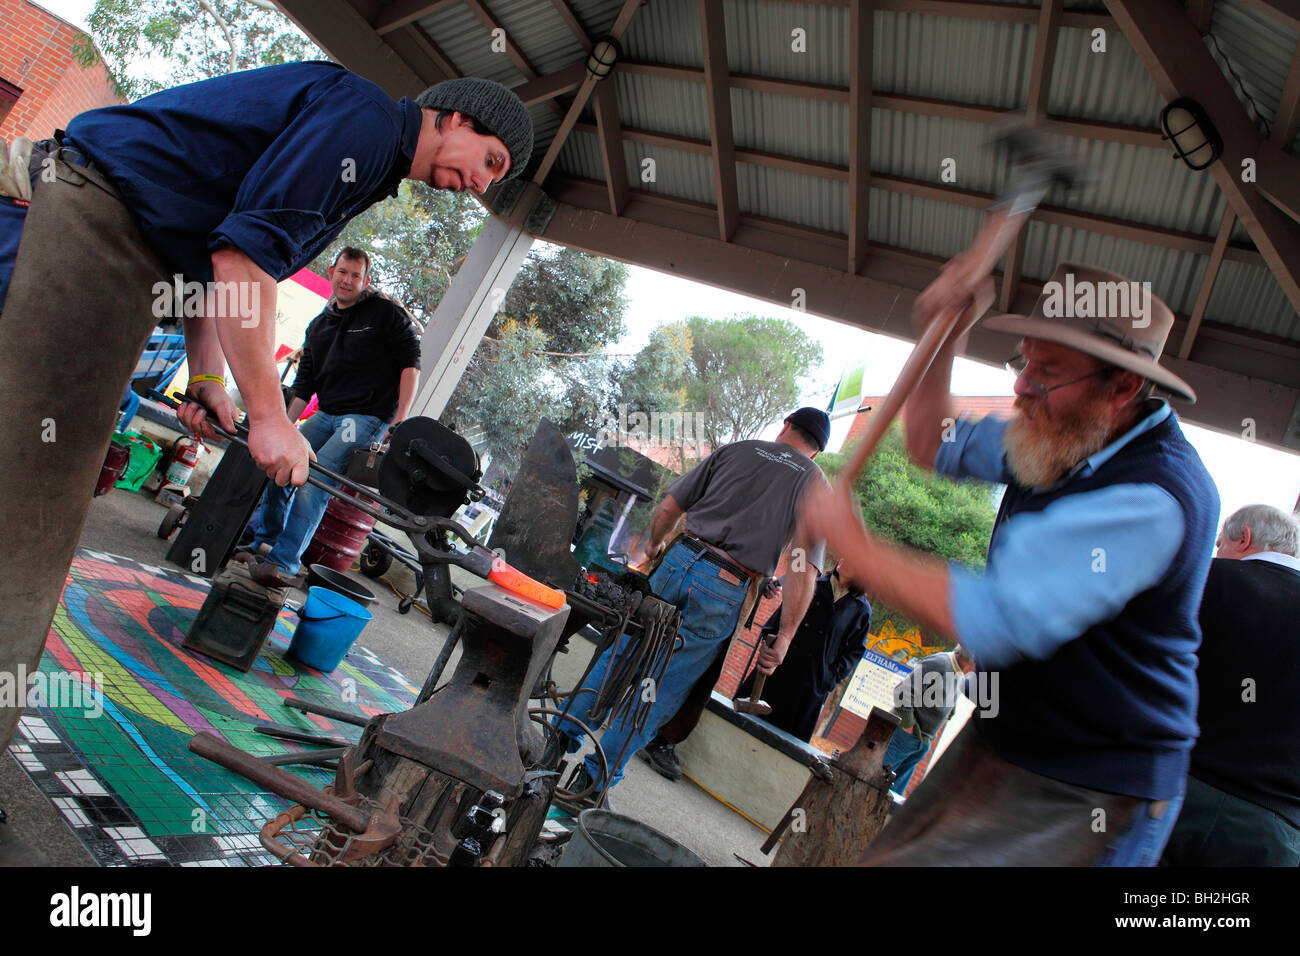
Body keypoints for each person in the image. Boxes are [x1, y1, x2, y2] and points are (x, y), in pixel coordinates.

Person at [0, 62, 534, 760]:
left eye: (497, 179)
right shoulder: (368, 123)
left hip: (121, 232)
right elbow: (239, 261)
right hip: (98, 222)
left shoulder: (365, 151)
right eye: (490, 161)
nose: (481, 185)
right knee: (32, 507)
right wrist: (271, 415)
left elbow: (202, 249)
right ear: (456, 116)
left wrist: (206, 377)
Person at [802, 261, 1219, 866]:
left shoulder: (1154, 498)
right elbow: (931, 439)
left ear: (1123, 388)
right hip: (1008, 740)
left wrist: (853, 541)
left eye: (1048, 372)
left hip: (1095, 786)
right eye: (1025, 360)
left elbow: (996, 614)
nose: (1023, 386)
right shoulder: (1056, 435)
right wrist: (950, 332)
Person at [558, 407, 833, 798]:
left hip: (677, 559)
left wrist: (655, 544)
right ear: (817, 452)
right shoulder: (815, 484)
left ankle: (557, 740)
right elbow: (802, 566)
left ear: (785, 426)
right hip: (722, 586)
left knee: (619, 651)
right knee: (658, 687)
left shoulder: (737, 450)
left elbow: (670, 508)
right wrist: (786, 634)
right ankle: (589, 785)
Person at [244, 247, 421, 587]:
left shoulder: (384, 314)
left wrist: (400, 419)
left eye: (355, 275)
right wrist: (281, 425)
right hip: (326, 413)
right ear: (331, 272)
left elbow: (411, 363)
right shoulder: (319, 326)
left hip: (366, 417)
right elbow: (304, 383)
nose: (347, 280)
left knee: (314, 479)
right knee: (283, 463)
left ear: (365, 281)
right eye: (343, 272)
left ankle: (283, 564)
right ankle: (264, 542)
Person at [1161, 504, 1300, 866]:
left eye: (1220, 543)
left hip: (1174, 795)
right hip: (1274, 832)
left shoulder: (1204, 578)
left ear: (1245, 539)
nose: (1217, 552)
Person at [732, 563, 872, 742]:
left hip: (810, 688)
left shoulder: (861, 610)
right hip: (777, 670)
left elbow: (854, 653)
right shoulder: (811, 584)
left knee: (785, 746)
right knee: (743, 728)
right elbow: (776, 620)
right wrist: (768, 646)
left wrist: (828, 679)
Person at [883, 646, 972, 795]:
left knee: (892, 794)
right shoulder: (940, 663)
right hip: (904, 735)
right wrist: (908, 726)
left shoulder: (959, 674)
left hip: (921, 741)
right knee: (874, 779)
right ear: (971, 660)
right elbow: (902, 692)